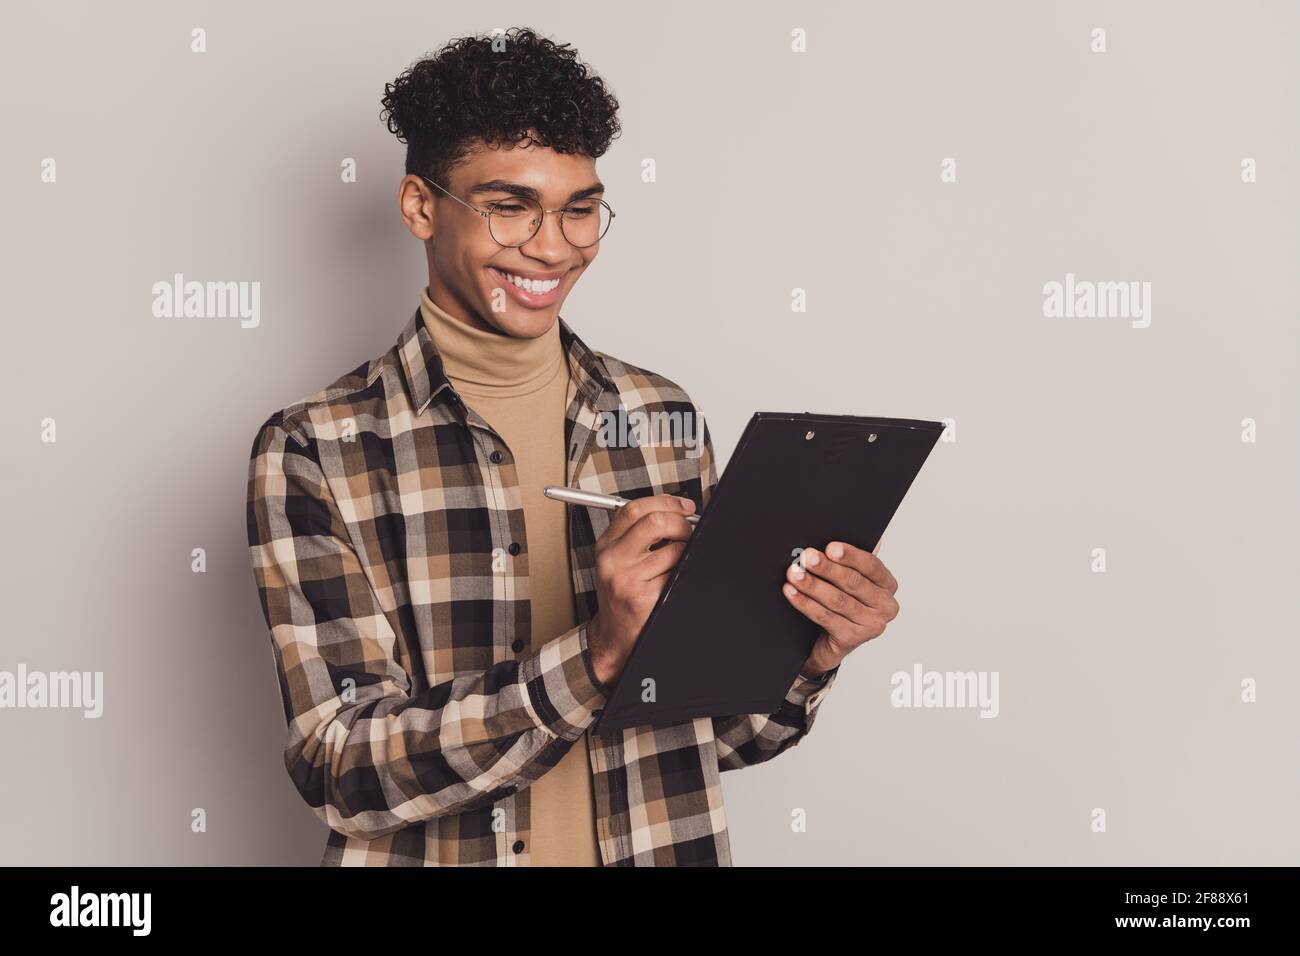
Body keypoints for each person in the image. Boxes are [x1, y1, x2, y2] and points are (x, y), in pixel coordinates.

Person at [245, 26, 900, 867]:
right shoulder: (315, 448)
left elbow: (722, 740)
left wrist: (810, 650)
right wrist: (597, 658)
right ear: (419, 206)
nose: (554, 246)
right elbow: (342, 768)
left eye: (581, 208)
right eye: (509, 206)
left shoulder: (660, 418)